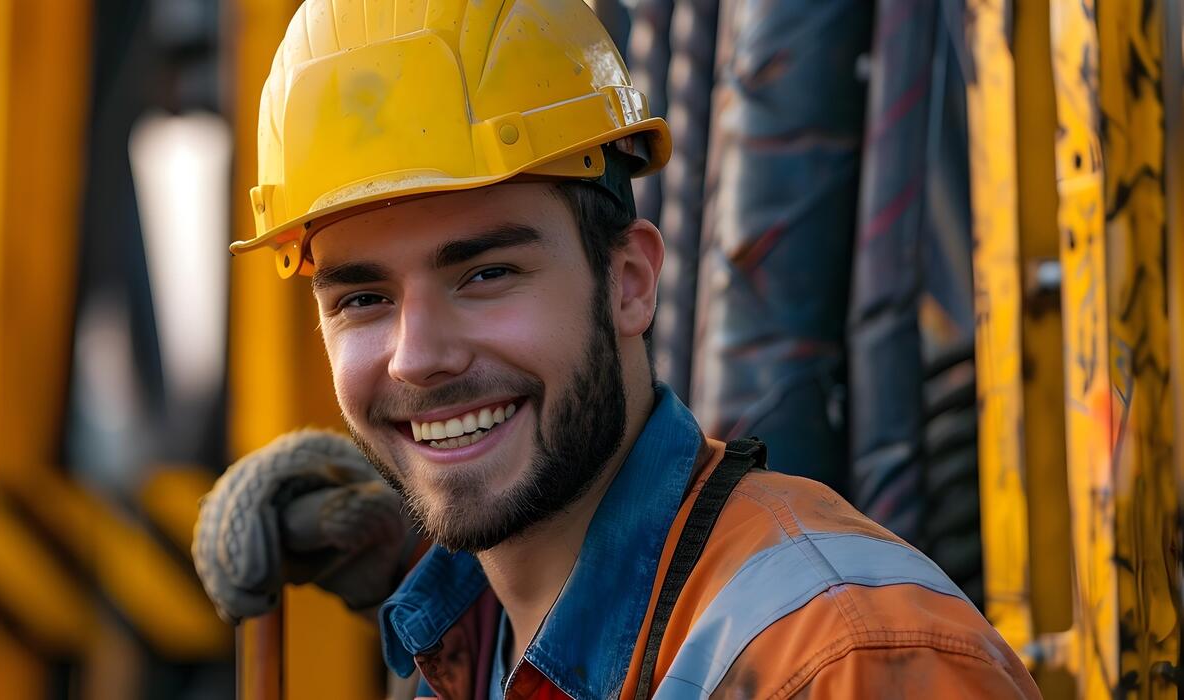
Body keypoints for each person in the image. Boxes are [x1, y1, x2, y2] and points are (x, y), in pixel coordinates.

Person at [192, 1, 1040, 697]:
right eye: (363, 299)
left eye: (486, 274)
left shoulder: (842, 662)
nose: (416, 357)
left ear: (629, 281)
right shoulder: (462, 646)